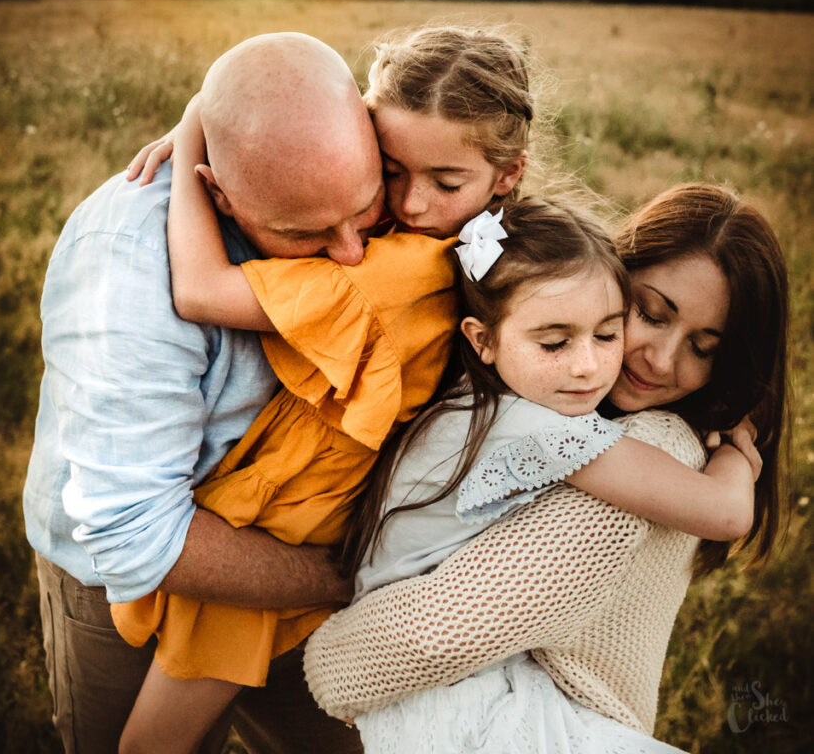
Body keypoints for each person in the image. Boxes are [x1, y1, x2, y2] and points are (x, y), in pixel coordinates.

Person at [112, 25, 534, 753]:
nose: (412, 204)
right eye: (390, 169)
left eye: (445, 182)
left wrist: (192, 142)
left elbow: (204, 292)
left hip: (281, 524)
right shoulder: (497, 245)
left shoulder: (399, 270)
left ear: (507, 173)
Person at [305, 184, 789, 750]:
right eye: (649, 314)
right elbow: (728, 512)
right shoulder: (545, 426)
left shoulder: (500, 386)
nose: (659, 359)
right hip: (444, 688)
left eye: (704, 348)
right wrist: (738, 451)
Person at [23, 31, 387, 754]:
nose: (351, 254)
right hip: (135, 588)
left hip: (301, 544)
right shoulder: (128, 269)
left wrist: (195, 114)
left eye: (367, 209)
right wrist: (352, 576)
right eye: (306, 232)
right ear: (215, 188)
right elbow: (134, 536)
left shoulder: (352, 162)